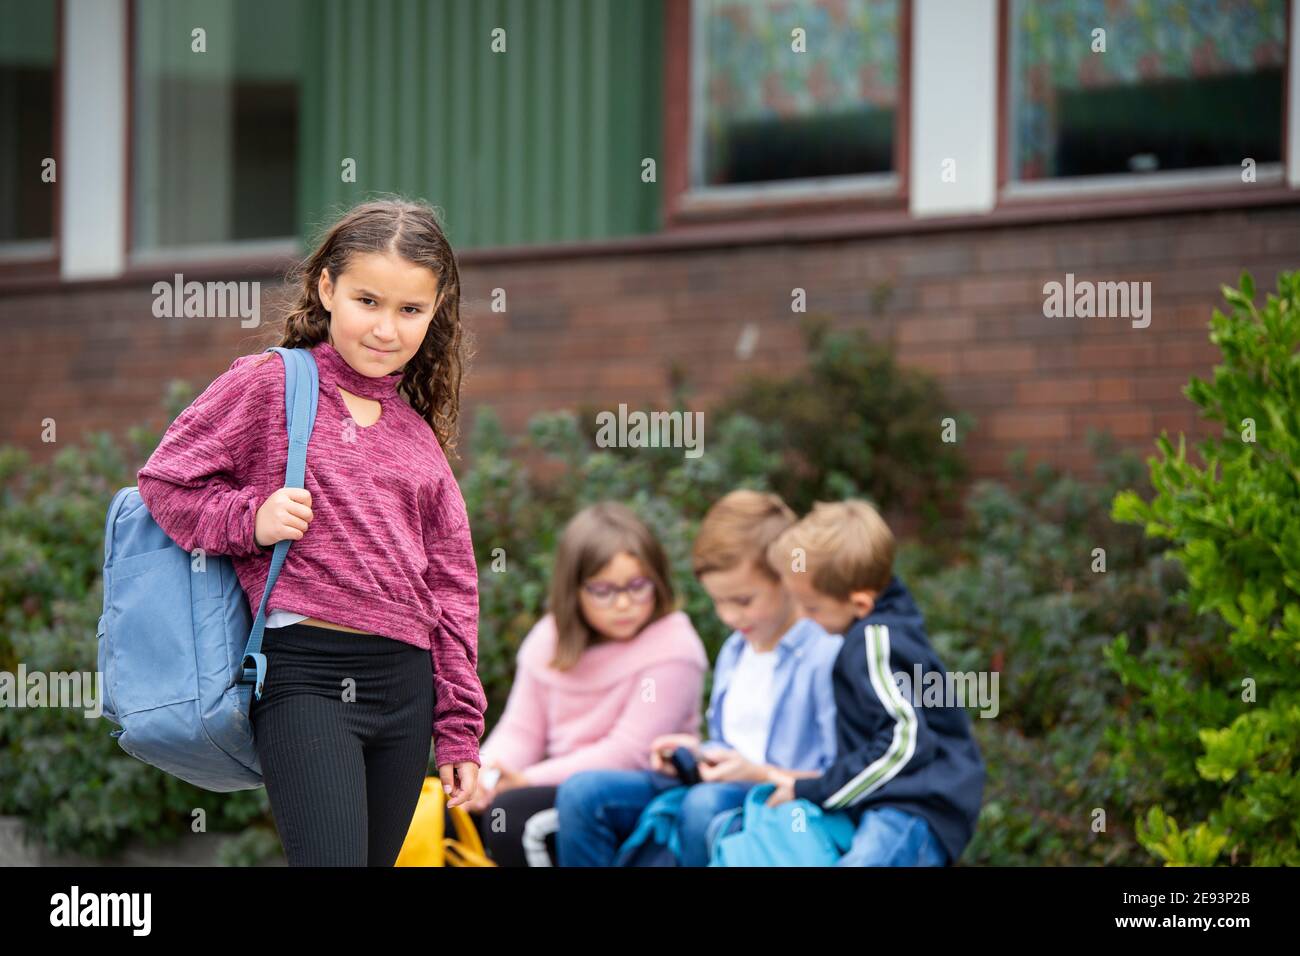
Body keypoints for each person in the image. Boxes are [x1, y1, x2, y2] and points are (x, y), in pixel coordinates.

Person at [136, 198, 487, 866]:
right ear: (327, 288)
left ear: (436, 309)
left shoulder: (418, 435)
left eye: (410, 310)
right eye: (367, 300)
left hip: (407, 689)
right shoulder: (272, 384)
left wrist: (460, 732)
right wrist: (251, 520)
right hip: (308, 678)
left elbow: (453, 589)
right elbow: (166, 482)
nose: (386, 328)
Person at [556, 489, 841, 867]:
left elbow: (842, 774)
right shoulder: (736, 650)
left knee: (702, 806)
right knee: (583, 793)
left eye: (742, 601)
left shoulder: (825, 654)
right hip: (714, 787)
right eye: (717, 601)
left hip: (774, 801)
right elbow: (732, 744)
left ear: (788, 579)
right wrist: (694, 752)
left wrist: (759, 773)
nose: (728, 616)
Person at [733, 499, 985, 867]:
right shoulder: (884, 624)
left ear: (861, 603)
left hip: (915, 806)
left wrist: (815, 789)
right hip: (883, 800)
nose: (803, 617)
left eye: (813, 608)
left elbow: (905, 740)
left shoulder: (874, 642)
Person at [464, 502, 708, 866]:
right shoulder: (549, 639)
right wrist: (486, 774)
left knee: (513, 817)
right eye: (604, 590)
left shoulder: (674, 645)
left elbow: (628, 753)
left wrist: (524, 780)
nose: (624, 603)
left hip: (635, 791)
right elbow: (521, 730)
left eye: (638, 586)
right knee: (460, 813)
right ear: (574, 590)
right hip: (561, 784)